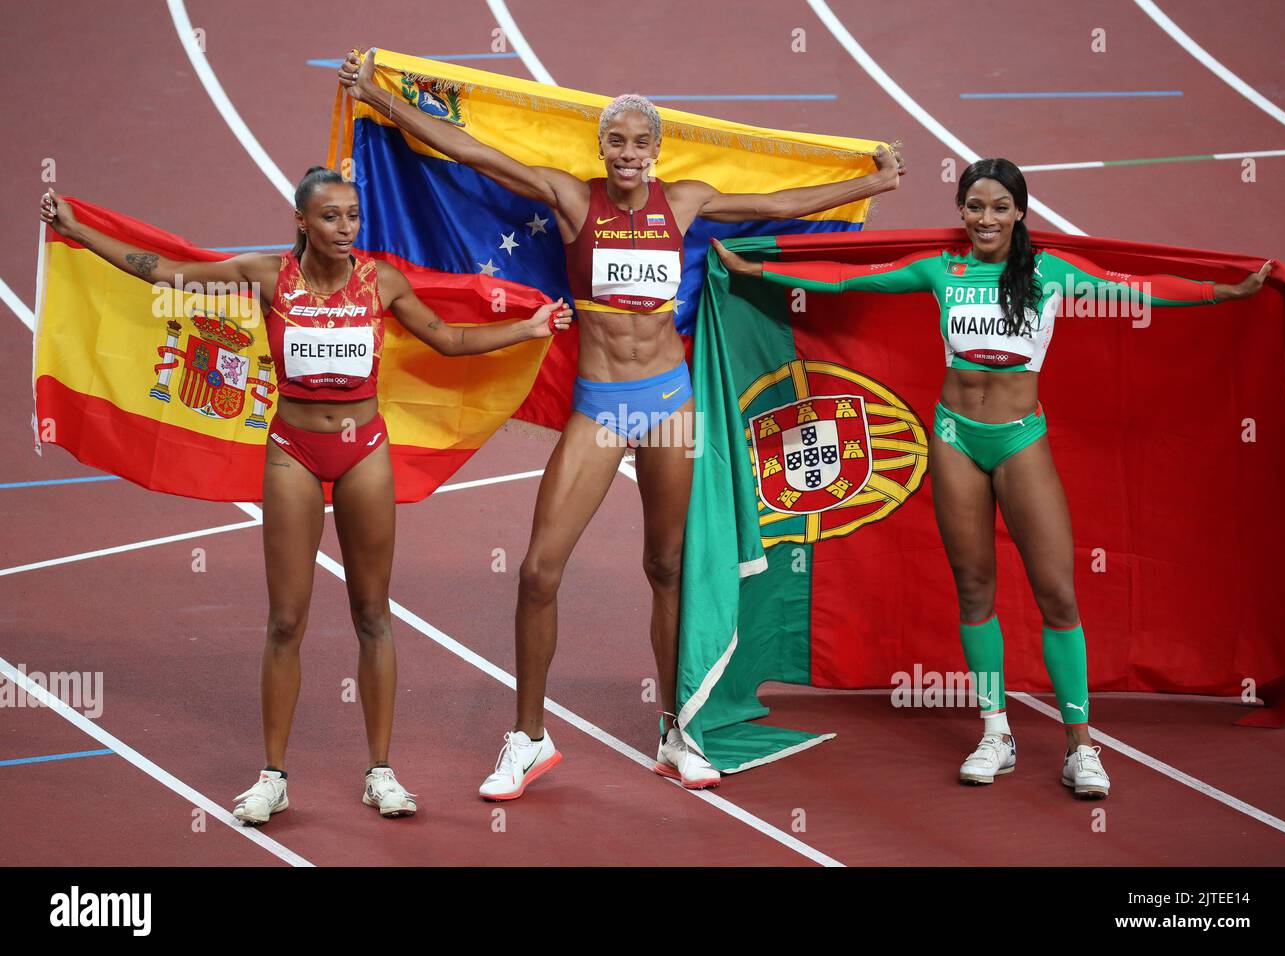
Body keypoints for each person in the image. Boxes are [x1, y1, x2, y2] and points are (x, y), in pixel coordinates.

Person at [338, 50, 905, 798]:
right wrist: (378, 96)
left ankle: (676, 730)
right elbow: (467, 149)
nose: (628, 153)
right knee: (539, 570)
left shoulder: (687, 201)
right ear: (602, 148)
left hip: (671, 402)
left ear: (656, 151)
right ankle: (527, 738)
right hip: (602, 406)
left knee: (667, 567)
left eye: (640, 142)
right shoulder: (573, 199)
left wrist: (875, 181)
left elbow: (787, 202)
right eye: (617, 142)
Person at [713, 157, 1271, 799]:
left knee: (1057, 593)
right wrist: (759, 270)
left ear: (1019, 213)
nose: (986, 219)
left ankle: (1080, 745)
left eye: (1000, 207)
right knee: (974, 587)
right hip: (953, 437)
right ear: (961, 212)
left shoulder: (1048, 273)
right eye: (975, 207)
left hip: (1019, 439)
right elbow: (846, 280)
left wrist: (1221, 293)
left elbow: (1136, 287)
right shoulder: (940, 270)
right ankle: (995, 732)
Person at [39, 171, 570, 822]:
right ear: (302, 222)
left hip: (364, 453)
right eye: (331, 218)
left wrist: (530, 328)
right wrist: (79, 230)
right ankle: (273, 776)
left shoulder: (382, 282)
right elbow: (165, 274)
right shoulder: (267, 277)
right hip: (292, 450)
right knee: (286, 620)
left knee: (372, 613)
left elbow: (450, 339)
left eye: (352, 216)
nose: (346, 229)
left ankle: (381, 772)